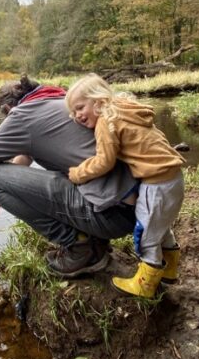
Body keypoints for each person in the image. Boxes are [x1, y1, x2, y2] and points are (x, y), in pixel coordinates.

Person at [0, 75, 138, 278]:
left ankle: (81, 247)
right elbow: (27, 152)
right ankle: (91, 242)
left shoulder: (20, 116)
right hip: (135, 205)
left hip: (112, 216)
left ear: (9, 110)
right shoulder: (62, 99)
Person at [65, 74, 184, 298]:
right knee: (161, 226)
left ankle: (145, 284)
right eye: (73, 112)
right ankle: (169, 268)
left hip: (156, 184)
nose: (77, 116)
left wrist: (77, 173)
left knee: (146, 233)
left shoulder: (105, 123)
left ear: (97, 100)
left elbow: (104, 161)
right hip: (174, 178)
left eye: (80, 108)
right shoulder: (126, 110)